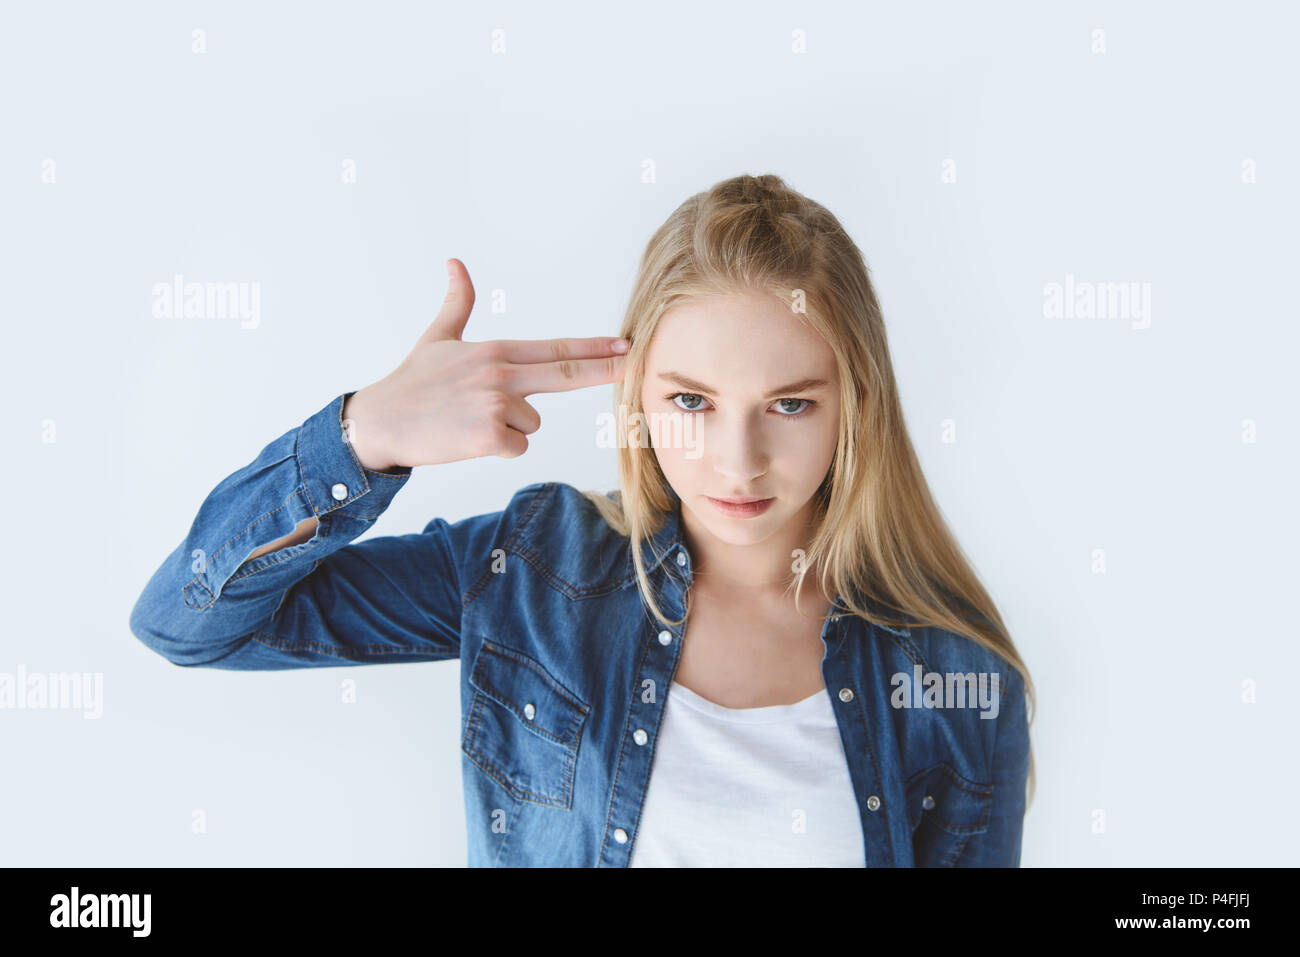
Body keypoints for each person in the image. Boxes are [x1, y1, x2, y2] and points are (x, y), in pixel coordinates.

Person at [130, 172, 1034, 867]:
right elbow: (190, 624)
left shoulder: (955, 674)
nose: (737, 459)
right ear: (636, 389)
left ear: (855, 407)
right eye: (691, 400)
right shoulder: (531, 570)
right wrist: (362, 437)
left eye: (790, 405)